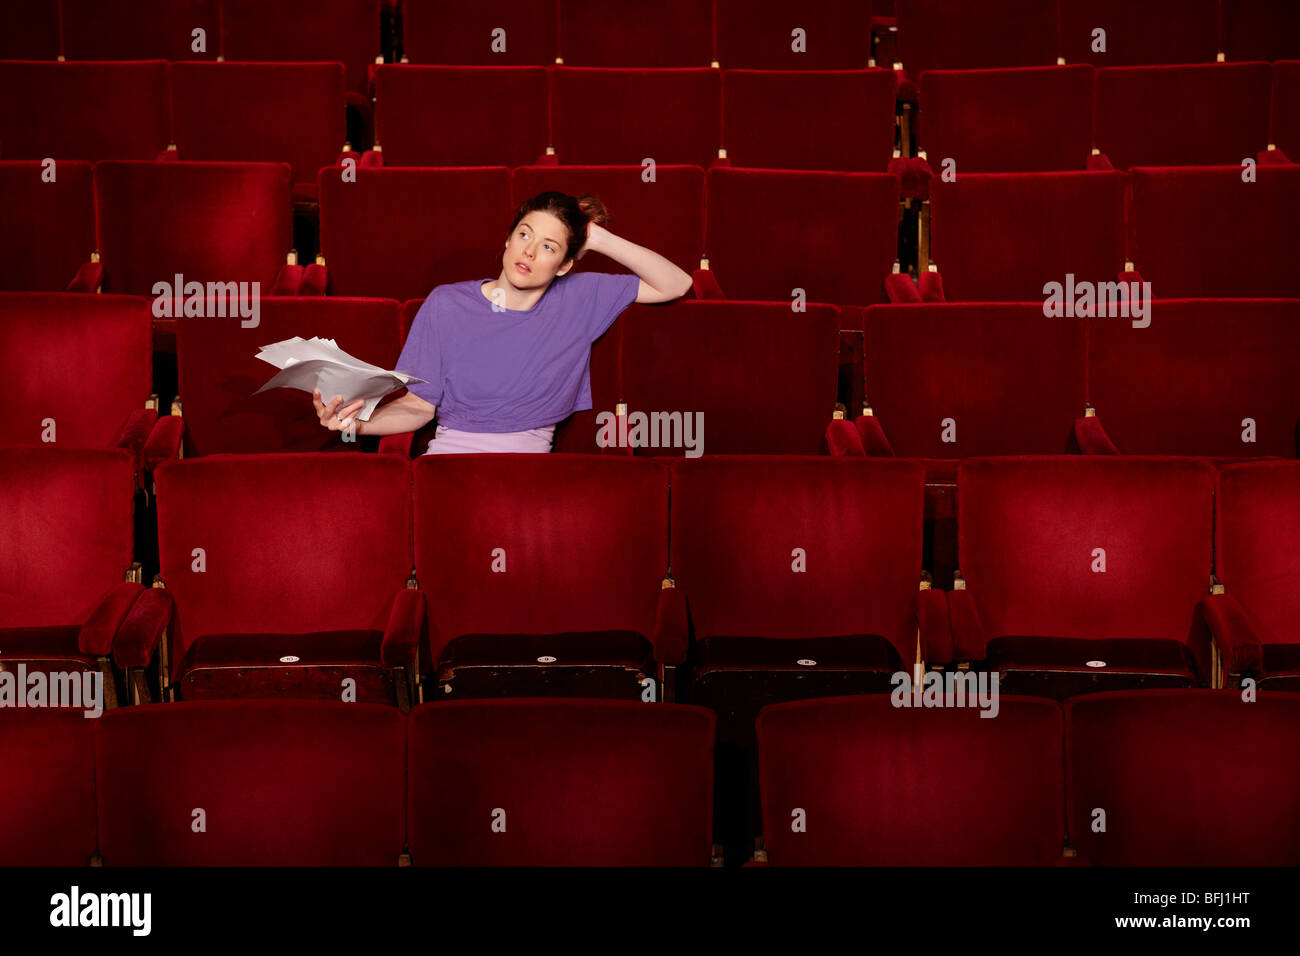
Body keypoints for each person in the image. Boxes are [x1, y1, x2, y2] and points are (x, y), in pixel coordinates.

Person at [313, 191, 692, 453]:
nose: (528, 250)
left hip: (527, 474)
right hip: (447, 462)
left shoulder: (582, 297)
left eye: (549, 246)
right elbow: (418, 408)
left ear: (565, 265)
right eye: (524, 234)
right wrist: (357, 424)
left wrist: (596, 237)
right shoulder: (446, 304)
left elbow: (677, 284)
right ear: (508, 239)